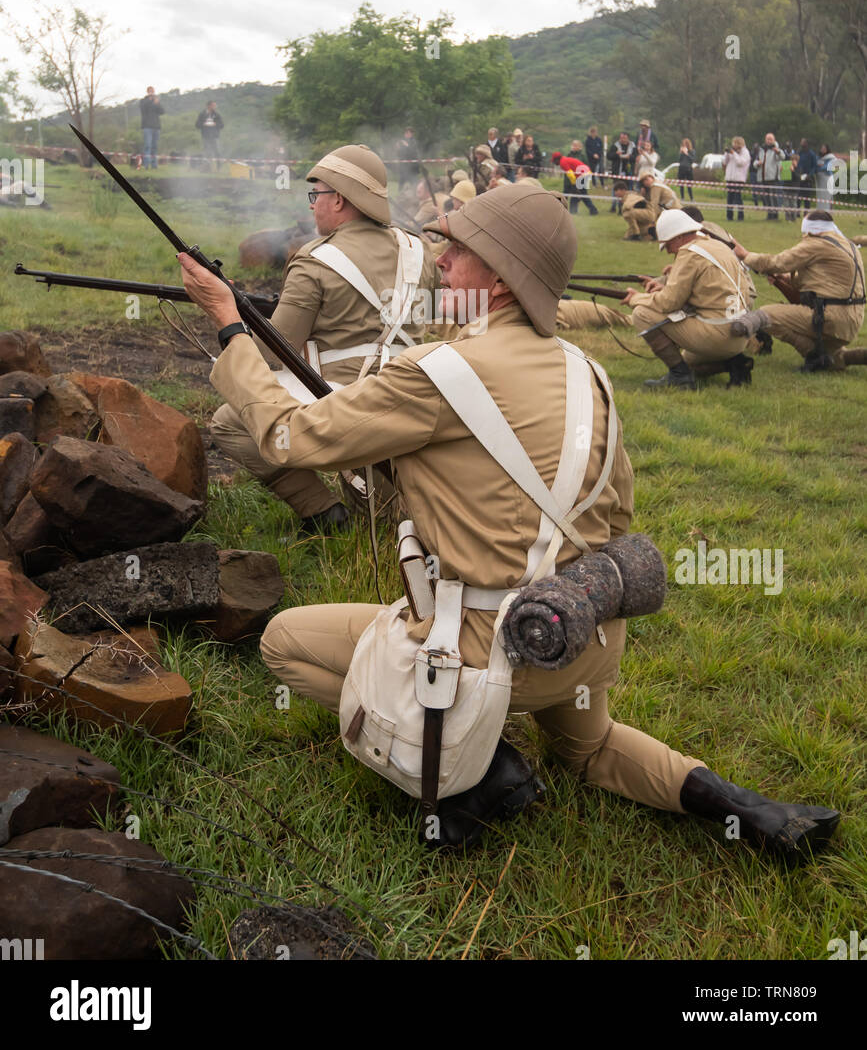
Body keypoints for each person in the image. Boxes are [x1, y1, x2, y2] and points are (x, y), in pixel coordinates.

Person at [178, 184, 840, 858]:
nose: (439, 261)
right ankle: (749, 811)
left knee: (285, 640)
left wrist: (230, 324)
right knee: (591, 747)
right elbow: (616, 512)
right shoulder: (587, 372)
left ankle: (482, 771)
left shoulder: (434, 372)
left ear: (497, 277)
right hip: (576, 633)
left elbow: (291, 437)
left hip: (482, 652)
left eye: (456, 250)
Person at [208, 143, 438, 532]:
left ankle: (321, 512)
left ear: (340, 200)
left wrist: (230, 314)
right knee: (385, 521)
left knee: (228, 421)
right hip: (410, 394)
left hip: (343, 399)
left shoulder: (315, 259)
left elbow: (273, 353)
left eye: (316, 194)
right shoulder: (421, 251)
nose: (311, 205)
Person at [622, 210, 753, 389]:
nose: (667, 251)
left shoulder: (689, 253)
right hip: (740, 333)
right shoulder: (718, 245)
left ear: (678, 237)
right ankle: (733, 364)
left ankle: (680, 377)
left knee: (642, 314)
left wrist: (637, 299)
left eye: (667, 244)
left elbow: (668, 303)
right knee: (689, 362)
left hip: (718, 334)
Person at [730, 211, 866, 372]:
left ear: (810, 231)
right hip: (851, 321)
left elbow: (777, 262)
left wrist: (745, 255)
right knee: (833, 357)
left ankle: (813, 355)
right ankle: (847, 357)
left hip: (830, 318)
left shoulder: (816, 243)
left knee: (766, 315)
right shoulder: (846, 244)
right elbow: (820, 281)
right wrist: (785, 279)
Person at [617, 173, 679, 242]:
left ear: (651, 177)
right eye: (644, 181)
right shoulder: (657, 184)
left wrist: (653, 221)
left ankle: (639, 235)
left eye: (647, 179)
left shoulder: (656, 187)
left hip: (671, 210)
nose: (646, 182)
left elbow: (654, 204)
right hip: (671, 209)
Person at [551, 146, 597, 215]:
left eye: (554, 161)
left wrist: (574, 185)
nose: (554, 163)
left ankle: (593, 210)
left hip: (583, 175)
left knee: (582, 194)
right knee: (578, 194)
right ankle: (573, 211)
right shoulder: (564, 160)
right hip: (585, 173)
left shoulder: (562, 162)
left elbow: (571, 175)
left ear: (557, 159)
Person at [753, 133, 784, 219]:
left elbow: (782, 157)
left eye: (770, 139)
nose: (768, 141)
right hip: (763, 177)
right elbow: (755, 161)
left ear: (774, 140)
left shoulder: (776, 150)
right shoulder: (761, 150)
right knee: (765, 197)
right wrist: (757, 164)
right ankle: (769, 214)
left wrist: (778, 152)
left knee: (773, 197)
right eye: (767, 139)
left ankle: (775, 214)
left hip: (772, 177)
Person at [723, 136, 751, 221]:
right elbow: (724, 162)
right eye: (733, 143)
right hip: (730, 177)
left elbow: (740, 163)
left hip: (739, 178)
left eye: (736, 143)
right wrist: (727, 154)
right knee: (730, 198)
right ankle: (729, 216)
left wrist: (734, 154)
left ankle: (740, 216)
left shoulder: (745, 152)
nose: (734, 145)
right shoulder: (732, 152)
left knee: (738, 198)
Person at [607, 132, 636, 211]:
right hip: (617, 172)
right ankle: (613, 206)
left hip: (628, 172)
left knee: (627, 190)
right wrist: (616, 154)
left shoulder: (633, 146)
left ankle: (625, 206)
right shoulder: (615, 146)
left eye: (624, 138)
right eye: (621, 138)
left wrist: (629, 157)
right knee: (616, 189)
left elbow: (635, 158)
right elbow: (609, 156)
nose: (622, 139)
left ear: (628, 138)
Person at [139, 86, 164, 171]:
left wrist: (157, 103)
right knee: (147, 146)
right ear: (147, 92)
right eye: (150, 91)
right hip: (147, 127)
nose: (151, 92)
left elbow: (162, 112)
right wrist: (150, 100)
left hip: (156, 127)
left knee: (155, 147)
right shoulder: (143, 101)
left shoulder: (156, 101)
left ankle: (154, 165)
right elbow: (143, 109)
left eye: (152, 91)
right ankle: (146, 165)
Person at [195, 100, 224, 168]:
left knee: (217, 151)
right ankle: (207, 167)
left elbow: (222, 125)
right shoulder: (202, 114)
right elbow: (197, 125)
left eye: (215, 105)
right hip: (206, 136)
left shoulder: (217, 115)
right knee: (207, 152)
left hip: (215, 136)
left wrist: (215, 124)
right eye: (213, 105)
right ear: (208, 106)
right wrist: (204, 124)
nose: (215, 107)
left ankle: (219, 166)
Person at [793, 138, 819, 214]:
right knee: (798, 197)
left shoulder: (812, 154)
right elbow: (795, 163)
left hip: (808, 179)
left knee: (807, 198)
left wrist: (809, 175)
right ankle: (797, 213)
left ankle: (806, 213)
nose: (801, 144)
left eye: (803, 142)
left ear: (807, 144)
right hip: (799, 178)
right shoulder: (799, 153)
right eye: (801, 142)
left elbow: (815, 166)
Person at [816, 143, 836, 208]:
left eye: (824, 148)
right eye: (822, 148)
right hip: (820, 179)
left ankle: (828, 210)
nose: (822, 150)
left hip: (827, 178)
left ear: (827, 149)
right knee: (820, 195)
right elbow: (816, 165)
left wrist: (819, 168)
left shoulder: (831, 157)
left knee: (827, 195)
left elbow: (827, 167)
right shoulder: (818, 157)